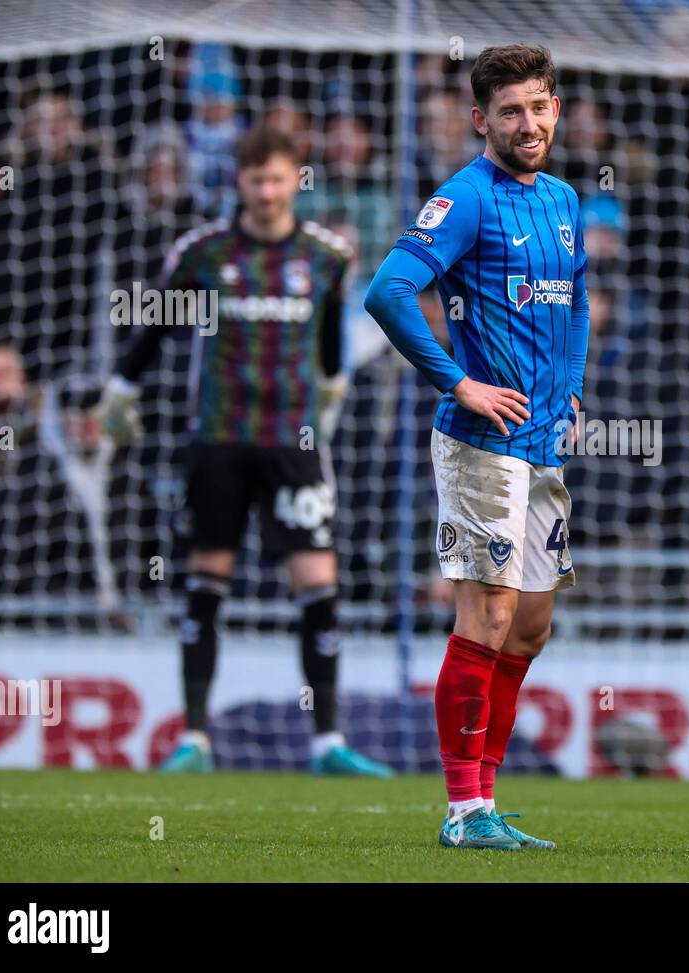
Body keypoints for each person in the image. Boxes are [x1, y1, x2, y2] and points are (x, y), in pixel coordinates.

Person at [96, 125, 390, 778]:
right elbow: (157, 328)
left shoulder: (326, 256)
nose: (266, 191)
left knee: (318, 585)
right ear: (239, 182)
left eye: (279, 179)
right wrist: (121, 387)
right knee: (207, 582)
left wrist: (335, 385)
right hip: (219, 437)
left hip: (294, 440)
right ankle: (195, 738)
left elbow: (331, 340)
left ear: (296, 182)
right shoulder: (203, 252)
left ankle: (328, 743)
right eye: (256, 180)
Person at [363, 44, 589, 851]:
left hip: (542, 444)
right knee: (487, 612)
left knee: (529, 623)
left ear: (554, 108)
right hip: (479, 441)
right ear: (480, 121)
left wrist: (569, 387)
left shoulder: (564, 199)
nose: (527, 124)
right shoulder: (464, 198)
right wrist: (456, 382)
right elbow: (386, 291)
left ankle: (487, 801)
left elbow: (576, 301)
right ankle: (464, 810)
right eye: (509, 113)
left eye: (538, 107)